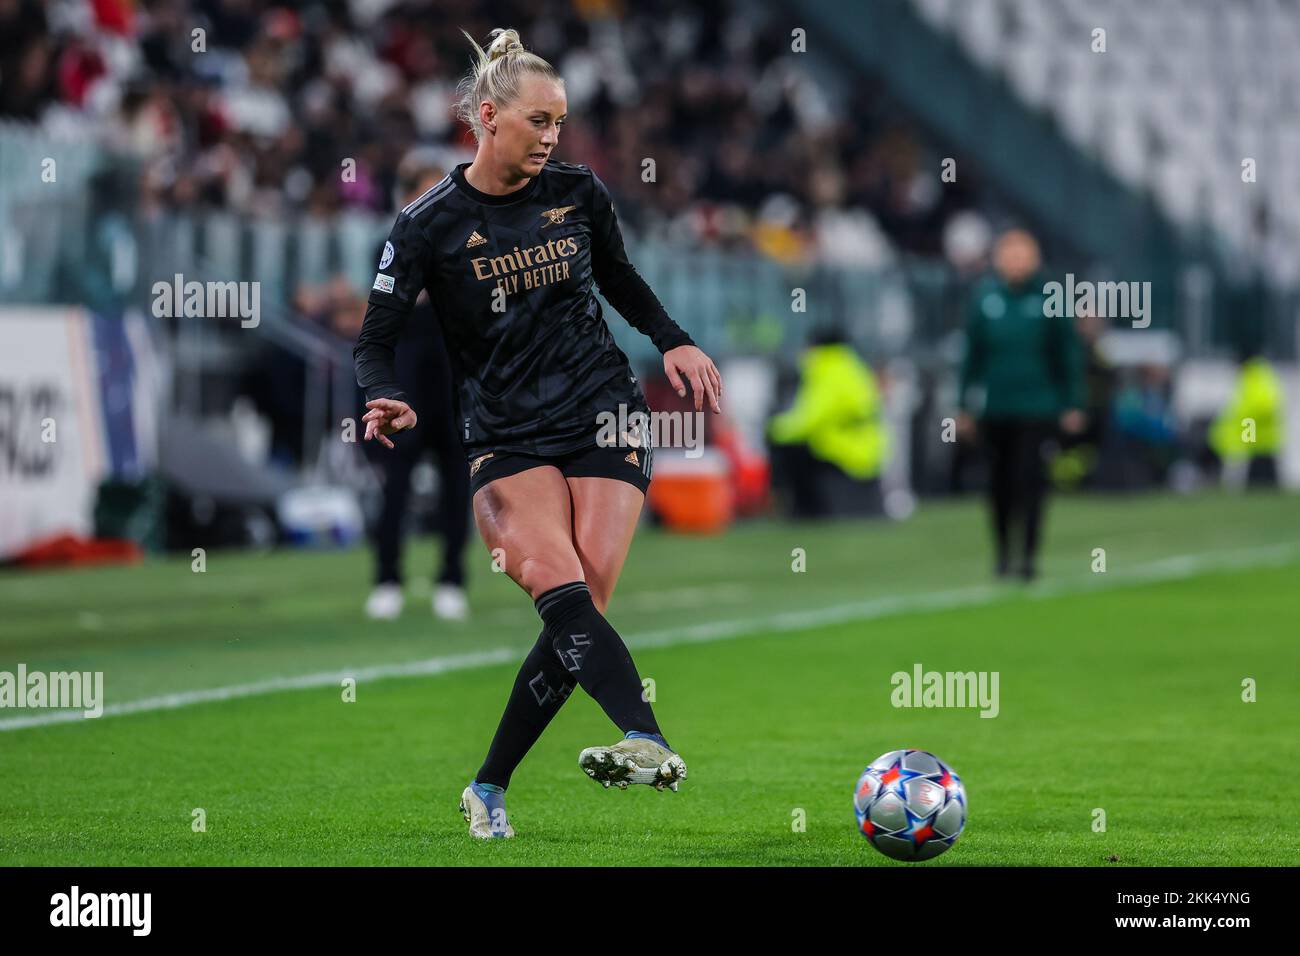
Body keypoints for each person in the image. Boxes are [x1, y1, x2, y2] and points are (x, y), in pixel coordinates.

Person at [353, 29, 722, 839]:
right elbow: (374, 340)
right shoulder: (425, 226)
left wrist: (675, 339)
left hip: (603, 408)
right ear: (488, 116)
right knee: (559, 593)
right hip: (505, 430)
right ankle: (629, 740)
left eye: (559, 123)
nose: (552, 138)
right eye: (538, 122)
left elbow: (620, 277)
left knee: (582, 603)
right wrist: (383, 395)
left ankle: (501, 783)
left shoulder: (579, 192)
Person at [363, 150, 471, 622]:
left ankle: (452, 577)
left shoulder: (464, 245)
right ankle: (387, 578)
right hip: (403, 386)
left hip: (450, 380)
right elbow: (398, 305)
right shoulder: (389, 245)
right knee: (396, 486)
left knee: (456, 484)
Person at [956, 229, 1084, 580]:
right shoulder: (986, 298)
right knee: (998, 483)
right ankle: (1001, 553)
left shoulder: (1049, 297)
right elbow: (972, 356)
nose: (1014, 261)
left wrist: (1072, 403)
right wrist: (963, 405)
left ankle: (1028, 555)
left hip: (1037, 407)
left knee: (1030, 480)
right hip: (996, 408)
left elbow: (1067, 354)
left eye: (1021, 254)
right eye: (1008, 254)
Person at [767, 326, 888, 518]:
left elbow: (808, 421)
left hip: (844, 452)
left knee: (787, 447)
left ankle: (796, 509)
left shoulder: (827, 370)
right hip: (869, 451)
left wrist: (774, 429)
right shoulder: (853, 366)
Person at [1209, 346, 1283, 488]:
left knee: (1263, 480)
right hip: (1255, 437)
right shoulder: (1252, 377)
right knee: (1256, 481)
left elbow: (1265, 407)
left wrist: (1247, 421)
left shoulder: (1257, 377)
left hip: (1261, 438)